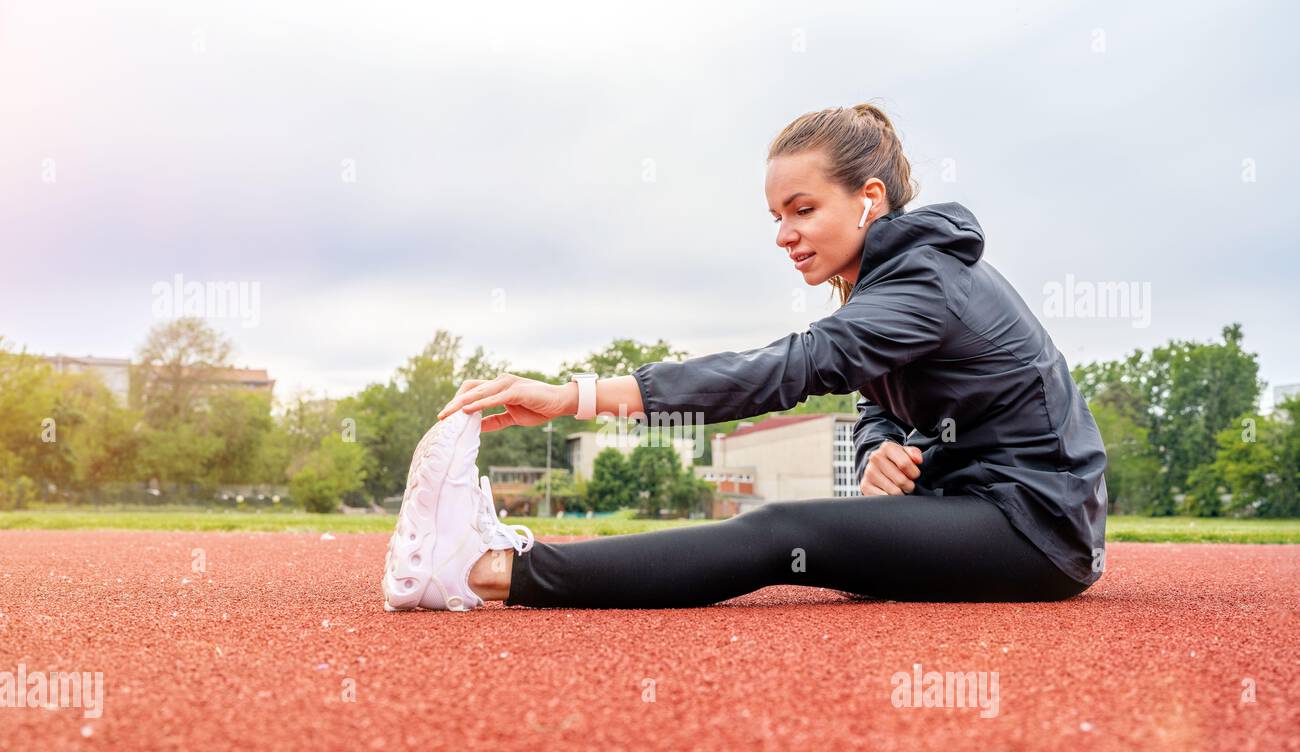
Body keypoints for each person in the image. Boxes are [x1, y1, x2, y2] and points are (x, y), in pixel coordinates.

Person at [381, 103, 1107, 612]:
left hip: (1033, 526)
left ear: (869, 199)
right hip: (976, 505)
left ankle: (485, 571)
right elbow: (875, 402)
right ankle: (485, 564)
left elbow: (791, 368)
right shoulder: (886, 284)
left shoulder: (927, 282)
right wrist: (879, 451)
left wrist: (575, 395)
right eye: (776, 217)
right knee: (789, 533)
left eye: (803, 209)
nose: (785, 234)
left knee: (781, 533)